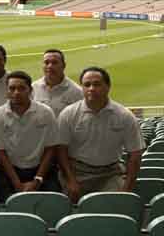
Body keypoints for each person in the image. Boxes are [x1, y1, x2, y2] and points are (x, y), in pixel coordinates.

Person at [57, 67, 144, 203]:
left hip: (110, 173)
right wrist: (70, 180)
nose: (91, 88)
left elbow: (135, 154)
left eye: (97, 84)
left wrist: (126, 188)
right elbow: (61, 150)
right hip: (77, 172)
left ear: (108, 87)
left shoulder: (124, 116)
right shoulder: (68, 114)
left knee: (114, 208)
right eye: (87, 85)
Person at [0, 71, 61, 202]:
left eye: (21, 88)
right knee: (6, 204)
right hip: (9, 171)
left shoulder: (45, 113)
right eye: (12, 88)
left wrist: (37, 180)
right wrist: (17, 183)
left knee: (53, 202)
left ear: (30, 90)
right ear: (6, 91)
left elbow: (51, 148)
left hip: (40, 169)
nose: (16, 92)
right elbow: (0, 153)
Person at [32, 49, 83, 117]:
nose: (50, 66)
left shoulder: (77, 92)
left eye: (54, 62)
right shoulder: (33, 88)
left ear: (64, 65)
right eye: (46, 63)